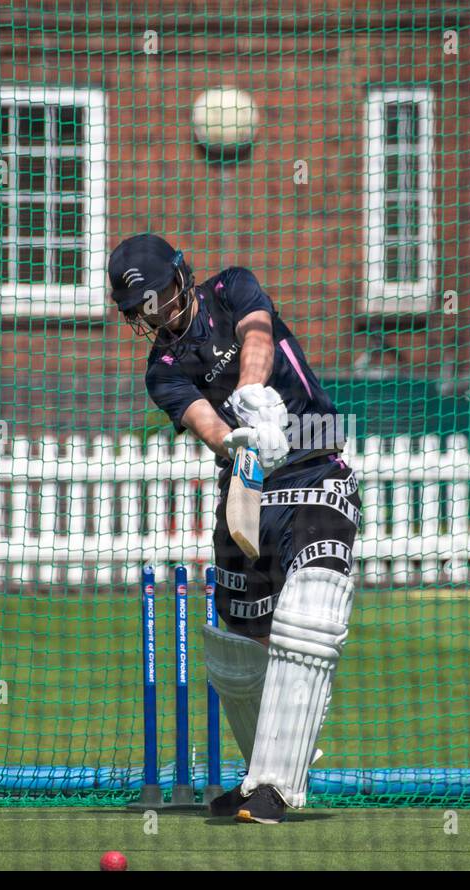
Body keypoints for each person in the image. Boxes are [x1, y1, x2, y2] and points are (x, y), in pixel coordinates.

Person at [109, 234, 360, 822]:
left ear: (181, 275)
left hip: (315, 461)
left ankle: (281, 785)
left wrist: (252, 397)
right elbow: (206, 425)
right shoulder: (162, 371)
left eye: (159, 299)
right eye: (140, 312)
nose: (155, 316)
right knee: (238, 646)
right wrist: (242, 438)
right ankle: (260, 776)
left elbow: (258, 336)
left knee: (310, 610)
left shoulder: (231, 287)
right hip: (248, 485)